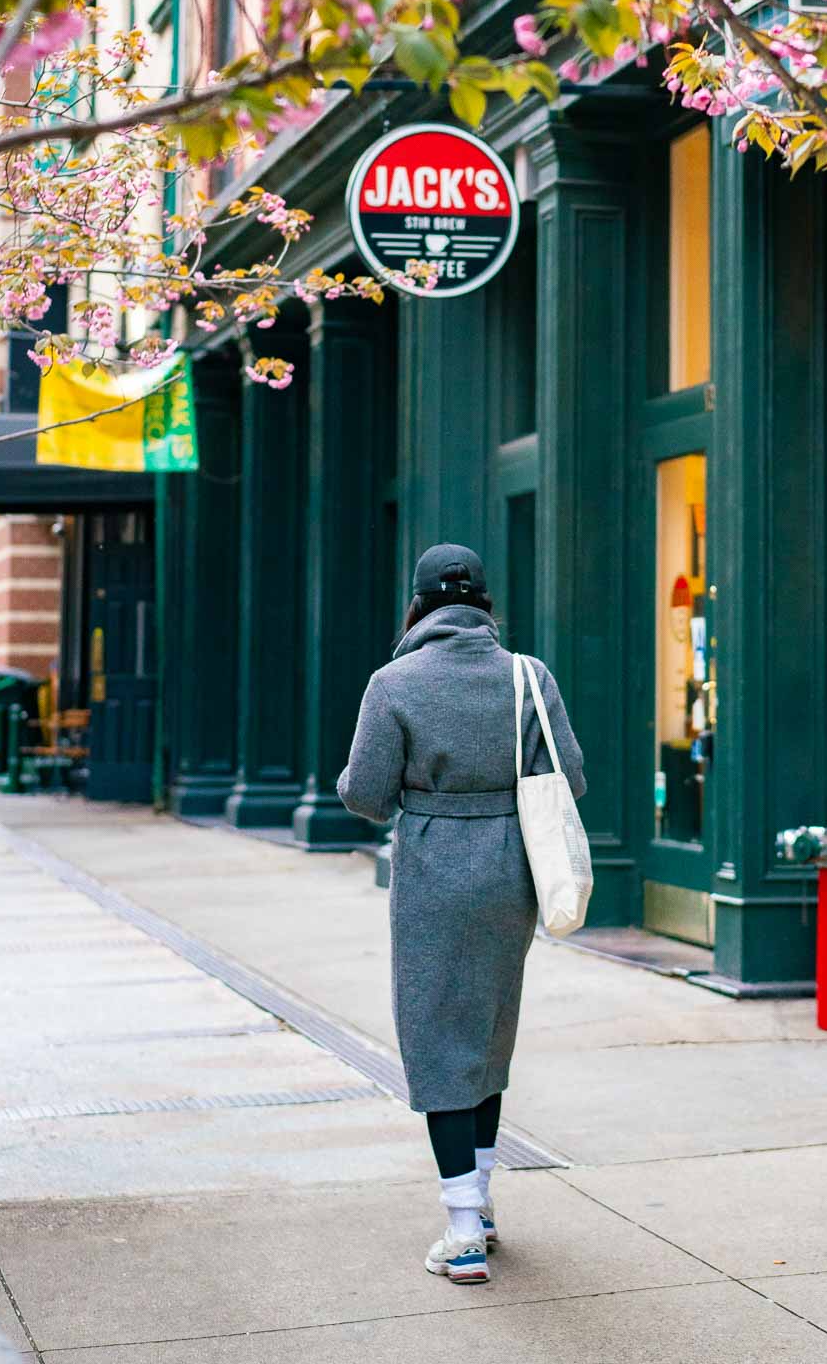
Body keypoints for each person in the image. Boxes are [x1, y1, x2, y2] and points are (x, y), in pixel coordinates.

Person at [336, 543, 586, 1284]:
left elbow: (367, 795)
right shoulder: (526, 675)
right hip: (513, 871)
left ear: (417, 605)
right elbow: (570, 775)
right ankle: (481, 1203)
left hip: (434, 870)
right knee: (486, 1028)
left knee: (436, 1034)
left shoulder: (393, 681)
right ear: (483, 603)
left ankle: (461, 1229)